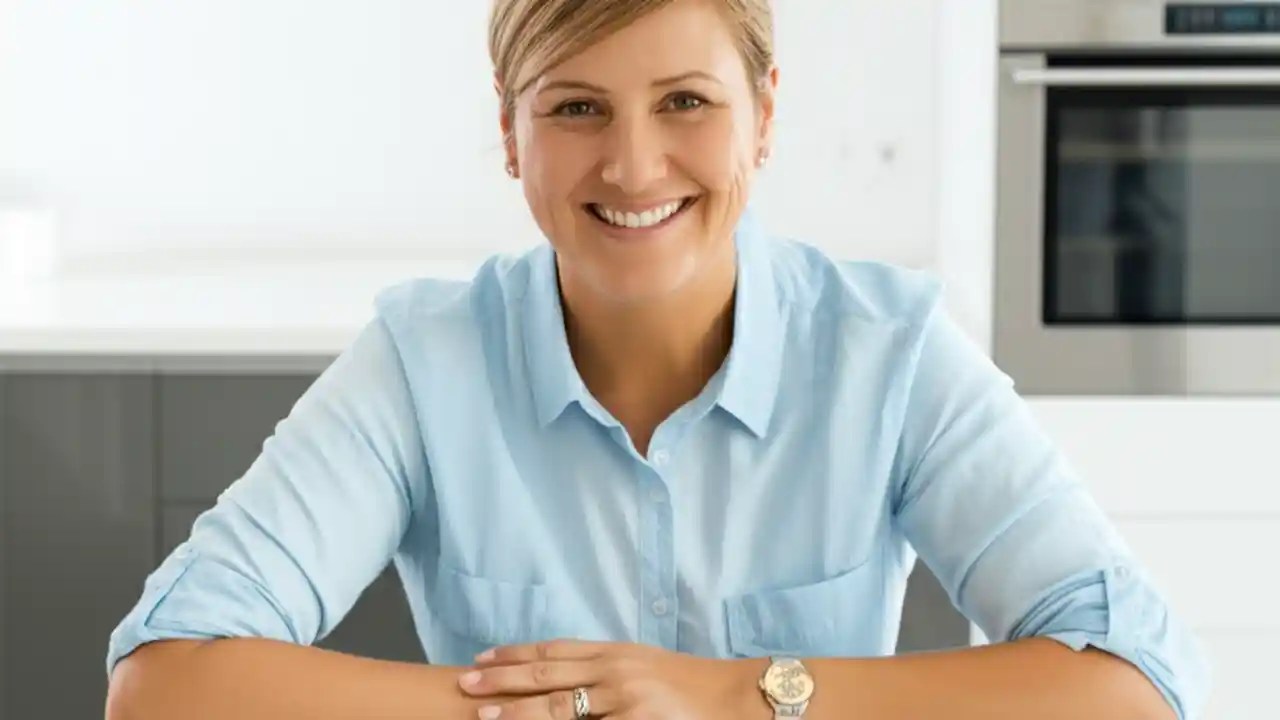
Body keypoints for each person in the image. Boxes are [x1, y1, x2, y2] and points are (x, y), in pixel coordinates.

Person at [104, 0, 1210, 718]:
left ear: (761, 116)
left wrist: (738, 695)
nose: (632, 166)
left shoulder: (891, 352)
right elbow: (164, 681)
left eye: (684, 102)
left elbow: (1137, 684)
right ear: (510, 134)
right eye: (576, 108)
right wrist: (564, 704)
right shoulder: (424, 360)